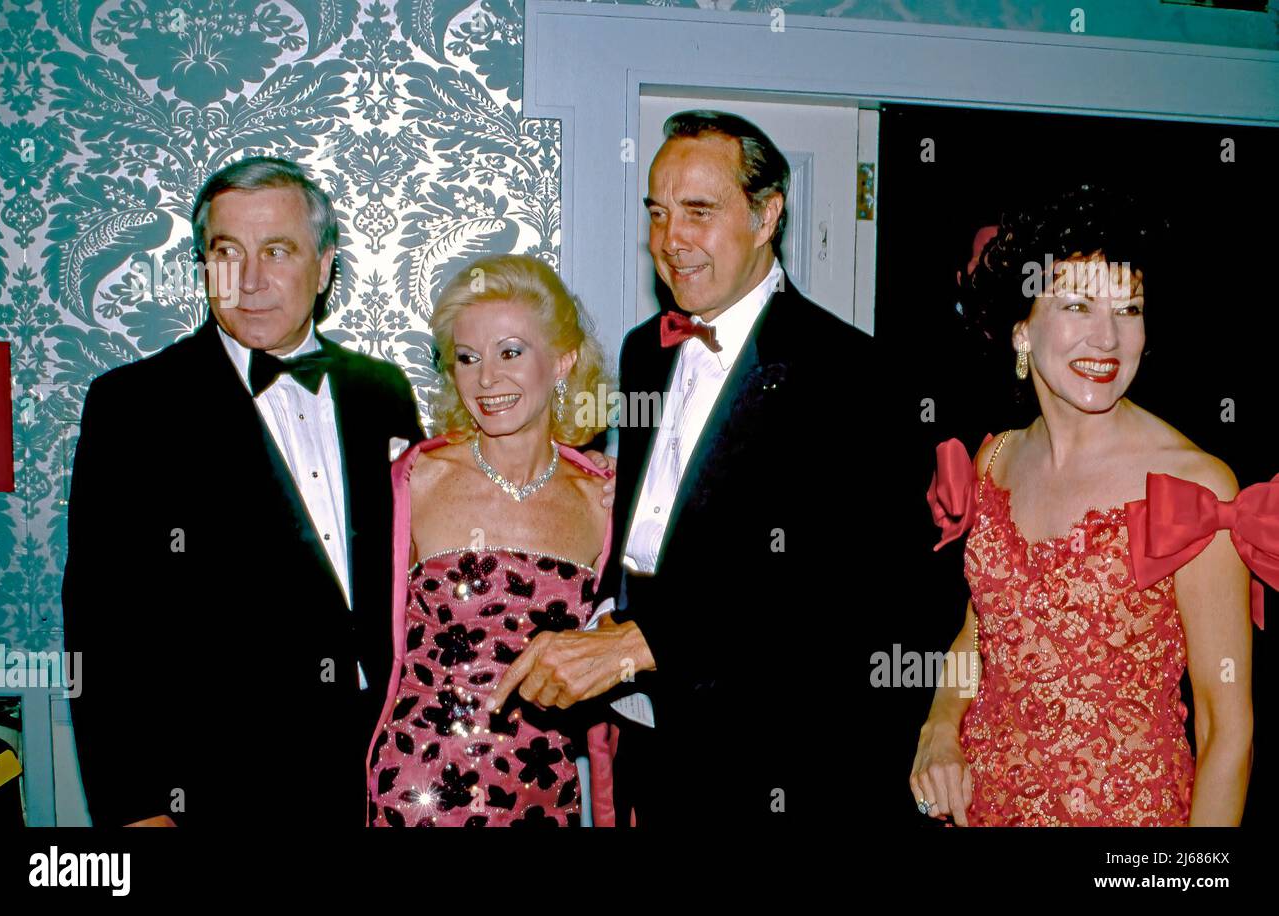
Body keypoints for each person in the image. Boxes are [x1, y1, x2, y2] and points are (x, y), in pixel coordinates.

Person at [484, 110, 880, 825]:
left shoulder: (849, 372)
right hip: (650, 746)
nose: (671, 241)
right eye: (659, 213)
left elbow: (843, 597)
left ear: (767, 216)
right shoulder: (645, 350)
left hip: (771, 758)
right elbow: (649, 537)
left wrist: (643, 644)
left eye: (699, 211)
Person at [63, 156, 424, 827]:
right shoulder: (133, 407)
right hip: (217, 789)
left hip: (383, 771)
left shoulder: (383, 392)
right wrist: (138, 807)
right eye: (227, 253)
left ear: (324, 266)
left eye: (278, 251)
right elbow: (101, 623)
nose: (251, 281)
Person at [917, 185, 1275, 826]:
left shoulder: (1195, 489)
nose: (1107, 338)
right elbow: (979, 636)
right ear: (1022, 327)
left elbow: (1228, 733)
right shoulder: (992, 460)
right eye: (1078, 304)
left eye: (1129, 309)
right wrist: (941, 725)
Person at [366, 254, 615, 826]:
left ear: (563, 361)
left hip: (543, 786)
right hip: (417, 785)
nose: (486, 379)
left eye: (510, 353)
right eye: (467, 358)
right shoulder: (414, 480)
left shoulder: (604, 500)